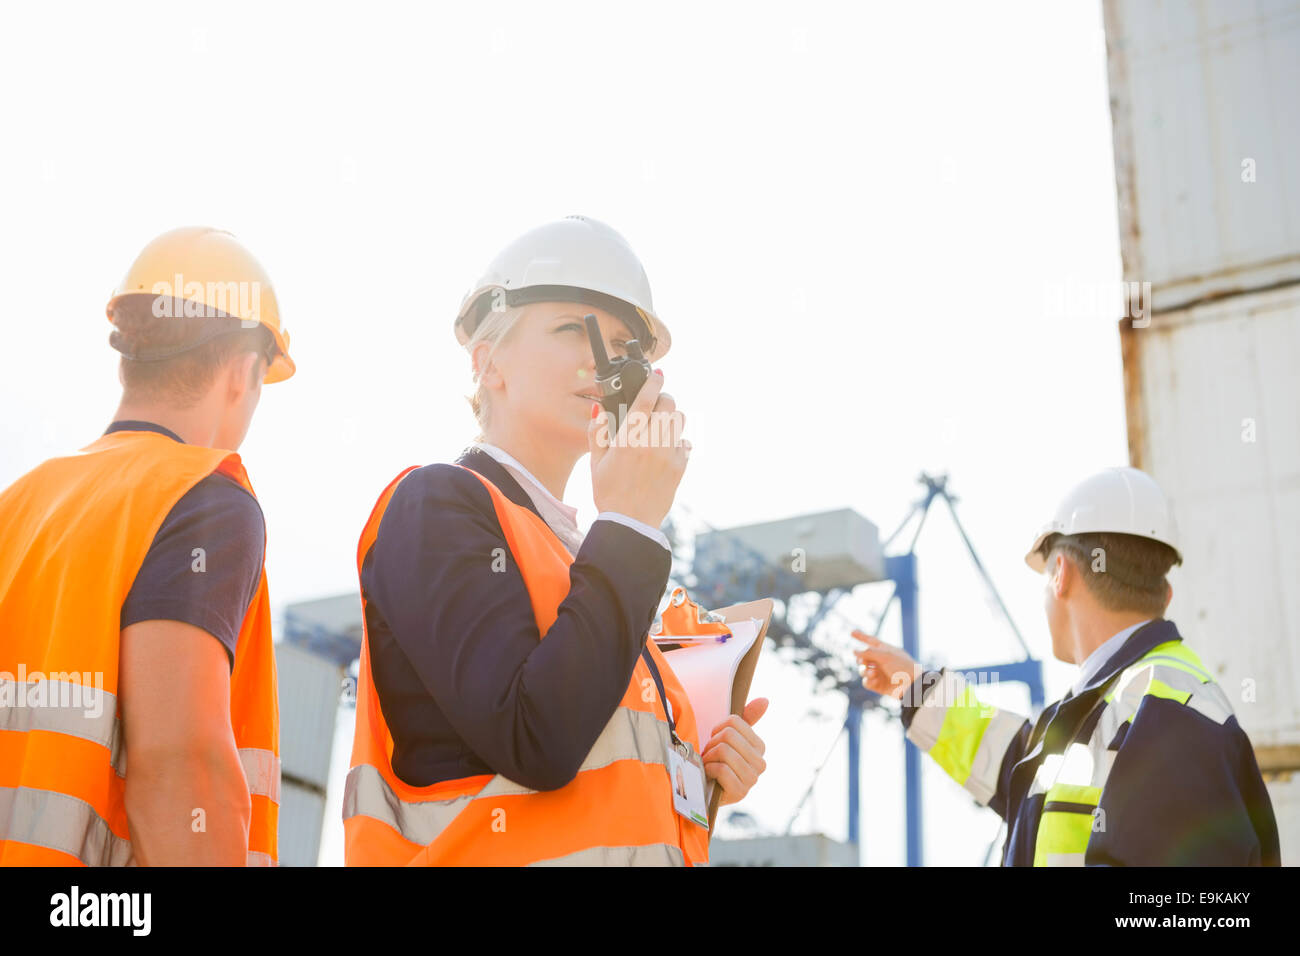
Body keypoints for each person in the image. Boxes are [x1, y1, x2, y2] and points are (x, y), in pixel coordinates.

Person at [344, 215, 768, 866]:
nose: (602, 360)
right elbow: (536, 739)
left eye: (626, 346)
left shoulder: (594, 569)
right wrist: (629, 524)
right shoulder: (435, 505)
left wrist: (697, 775)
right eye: (572, 328)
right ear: (489, 365)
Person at [0, 227, 294, 866]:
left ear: (126, 355)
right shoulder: (203, 499)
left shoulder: (19, 504)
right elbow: (180, 771)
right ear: (245, 372)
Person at [854, 466, 1280, 866]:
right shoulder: (1121, 706)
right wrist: (913, 686)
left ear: (1060, 573)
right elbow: (1024, 772)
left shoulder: (1168, 715)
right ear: (1165, 594)